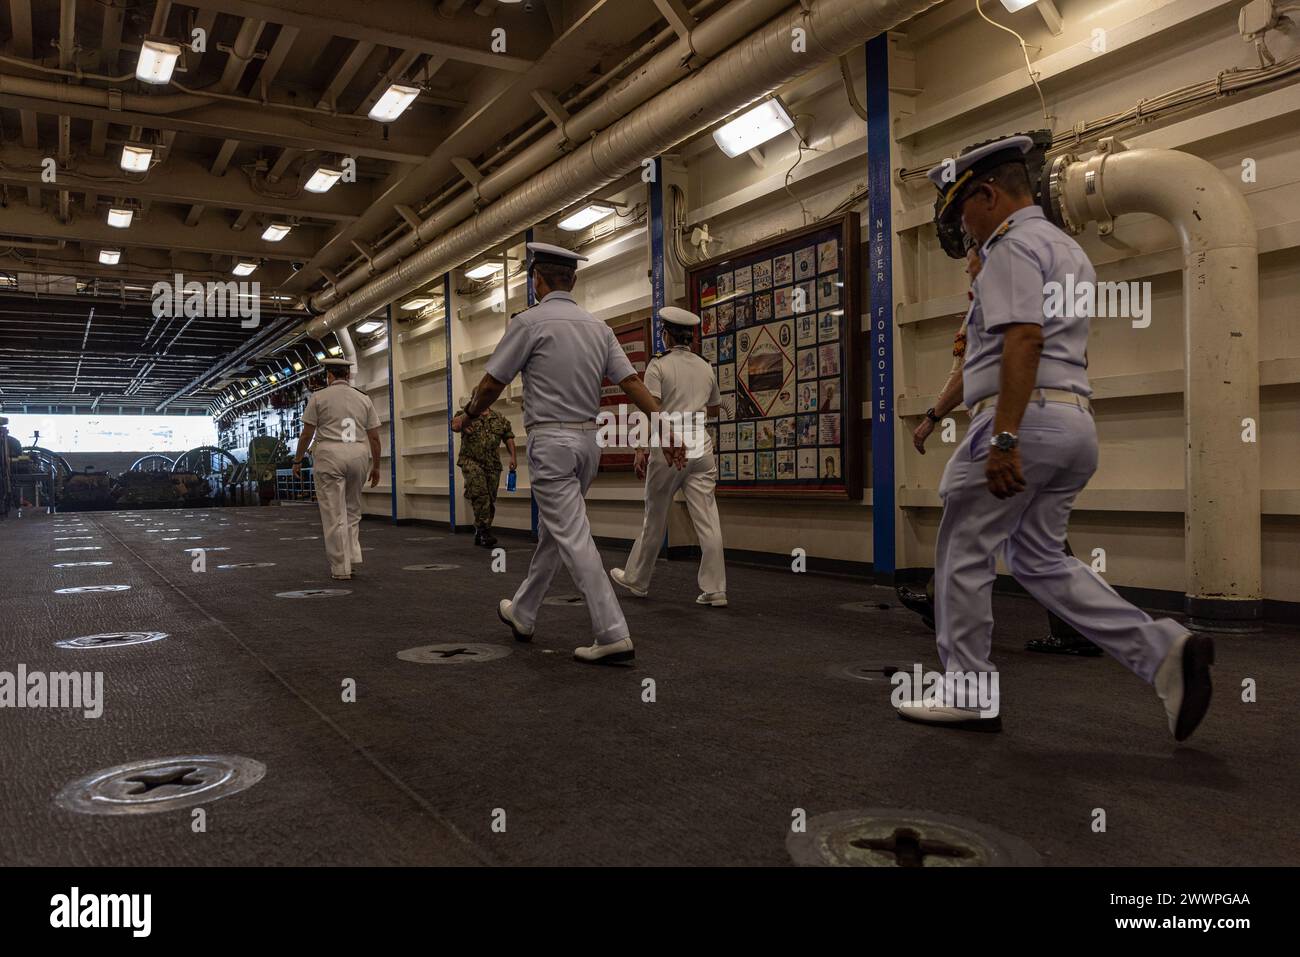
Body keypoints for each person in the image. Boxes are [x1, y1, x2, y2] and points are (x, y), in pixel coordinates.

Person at [895, 135, 1213, 739]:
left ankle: (967, 690)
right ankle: (1164, 653)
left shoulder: (1010, 247)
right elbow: (994, 351)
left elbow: (1023, 341)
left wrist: (1004, 440)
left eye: (964, 206)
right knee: (1038, 559)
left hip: (1023, 420)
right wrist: (938, 413)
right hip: (1073, 424)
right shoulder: (1066, 249)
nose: (963, 222)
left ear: (988, 194)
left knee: (963, 550)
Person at [451, 243, 684, 665]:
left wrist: (468, 414)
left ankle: (612, 632)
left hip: (552, 442)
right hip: (589, 444)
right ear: (573, 280)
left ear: (537, 280)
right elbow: (632, 383)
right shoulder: (599, 329)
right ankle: (523, 611)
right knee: (557, 532)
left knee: (573, 535)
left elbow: (491, 385)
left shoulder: (529, 323)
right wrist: (667, 424)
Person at [900, 243, 1100, 657]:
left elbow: (975, 373)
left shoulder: (1005, 304)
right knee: (1034, 534)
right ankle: (1083, 627)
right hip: (1044, 426)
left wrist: (934, 417)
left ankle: (950, 620)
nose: (967, 268)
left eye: (973, 259)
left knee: (969, 523)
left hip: (1014, 427)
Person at [611, 306, 727, 607]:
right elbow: (714, 406)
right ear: (691, 337)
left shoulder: (657, 366)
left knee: (655, 514)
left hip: (669, 443)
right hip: (700, 443)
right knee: (707, 516)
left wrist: (640, 447)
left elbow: (652, 410)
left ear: (665, 334)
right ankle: (715, 589)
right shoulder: (705, 366)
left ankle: (637, 578)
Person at [292, 356, 382, 581]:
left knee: (334, 513)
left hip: (330, 455)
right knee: (352, 511)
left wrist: (298, 459)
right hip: (358, 455)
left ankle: (340, 568)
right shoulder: (364, 399)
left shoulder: (319, 397)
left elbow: (307, 433)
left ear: (329, 375)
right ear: (348, 376)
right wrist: (377, 466)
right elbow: (374, 438)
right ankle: (352, 559)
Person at [455, 396, 516, 547]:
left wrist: (513, 457)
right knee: (480, 495)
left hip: (492, 464)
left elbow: (508, 437)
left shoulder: (499, 418)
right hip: (471, 462)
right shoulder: (464, 414)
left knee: (490, 498)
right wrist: (463, 423)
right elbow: (455, 425)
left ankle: (481, 531)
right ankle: (484, 531)